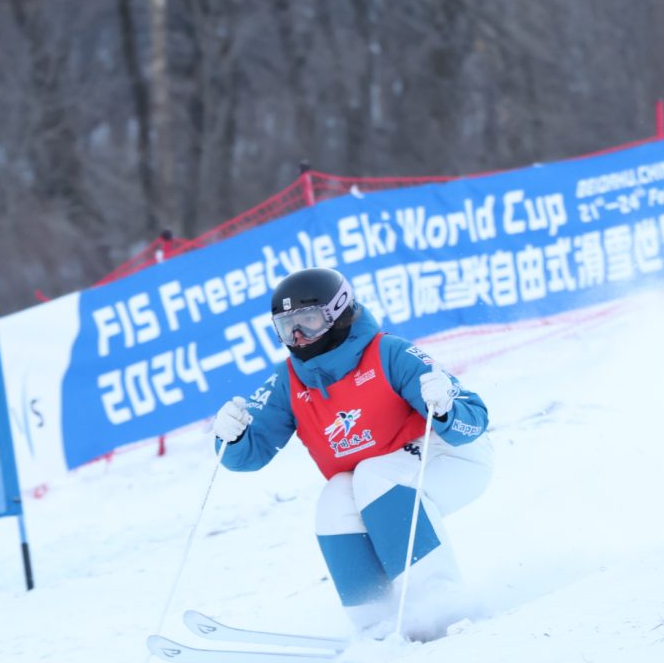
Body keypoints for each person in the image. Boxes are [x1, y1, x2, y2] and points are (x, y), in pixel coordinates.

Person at [211, 267, 493, 637]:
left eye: (308, 321)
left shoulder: (387, 352)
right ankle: (377, 622)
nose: (298, 336)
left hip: (450, 457)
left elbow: (475, 417)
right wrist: (231, 438)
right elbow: (250, 454)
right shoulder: (289, 381)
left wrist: (444, 409)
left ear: (337, 311)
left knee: (375, 478)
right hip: (374, 477)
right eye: (286, 327)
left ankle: (441, 601)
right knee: (333, 500)